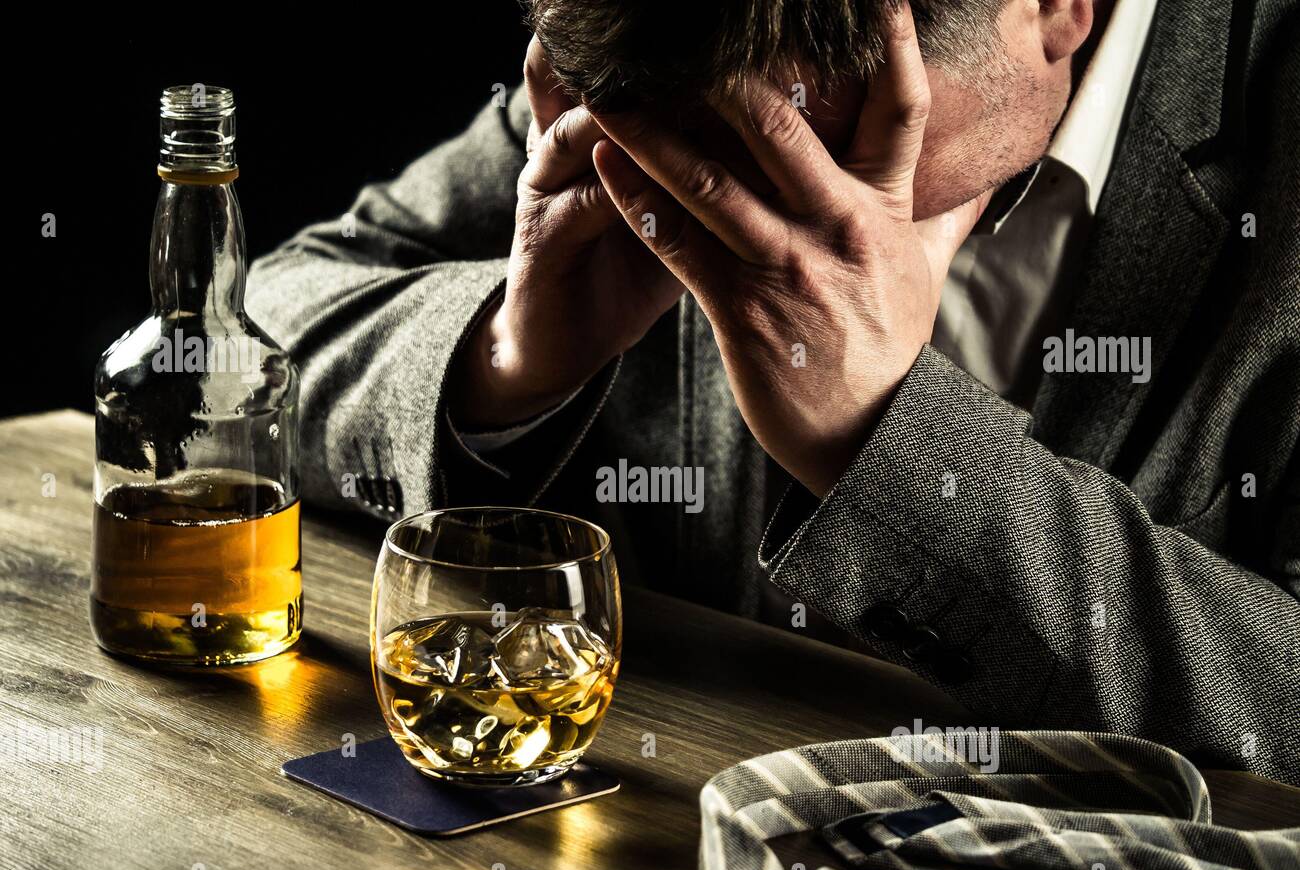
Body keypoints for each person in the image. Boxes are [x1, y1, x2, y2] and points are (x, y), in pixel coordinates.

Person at [248, 0, 1300, 782]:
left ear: (1056, 13)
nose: (768, 218)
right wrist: (508, 351)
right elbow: (257, 329)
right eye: (732, 158)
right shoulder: (678, 46)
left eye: (830, 152)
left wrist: (888, 446)